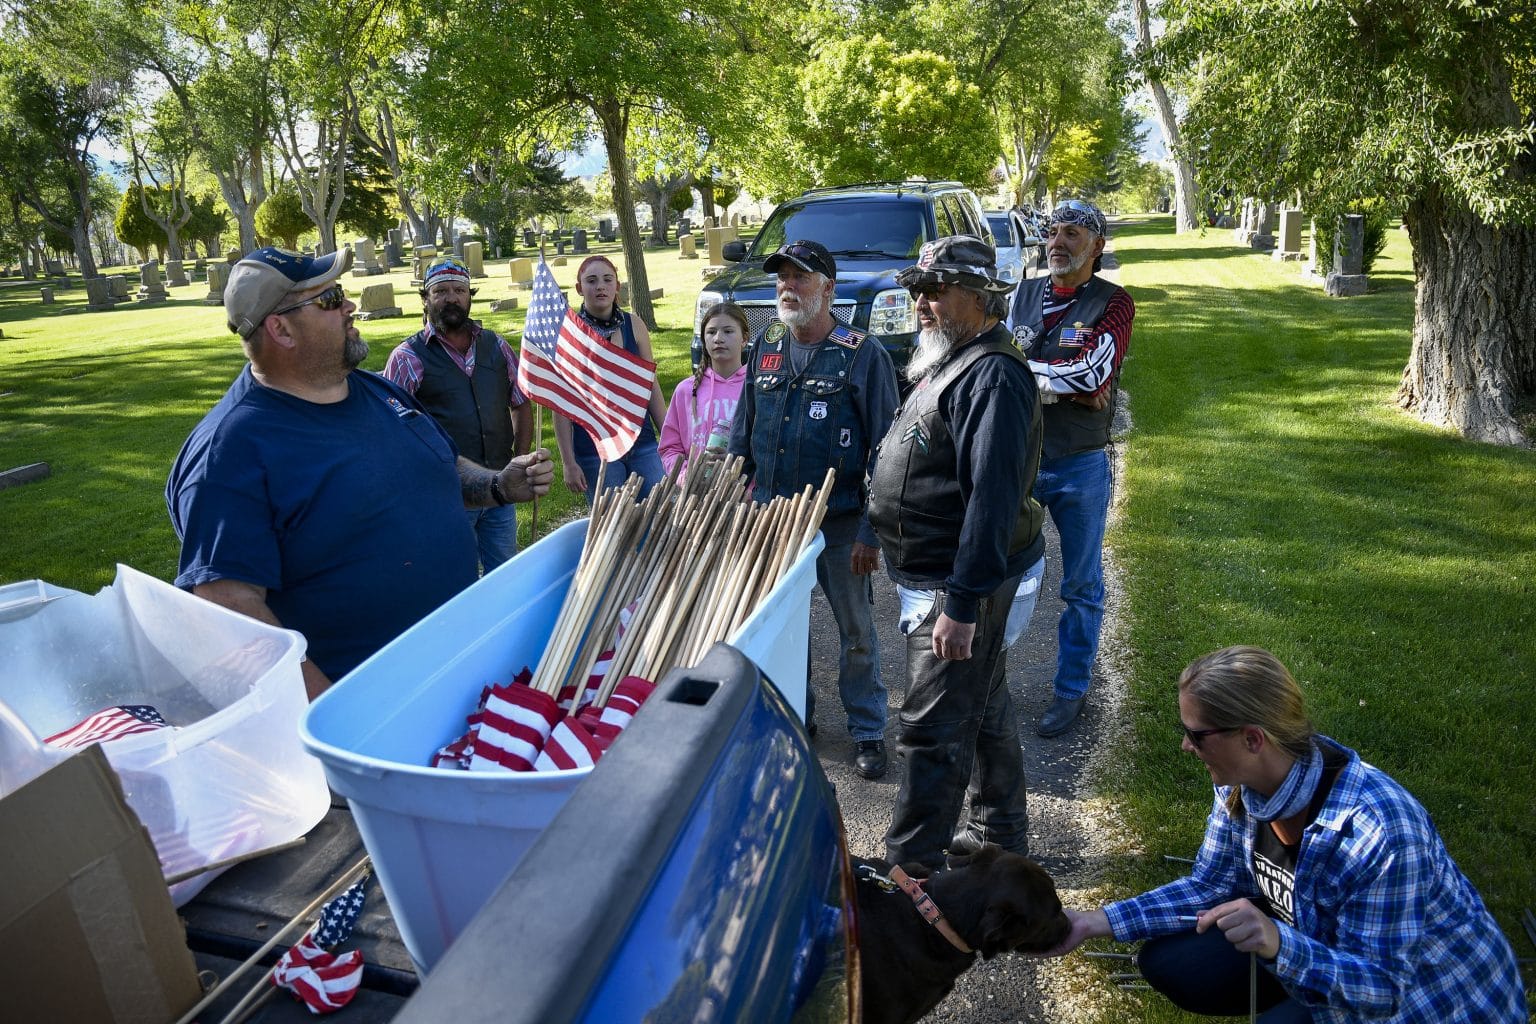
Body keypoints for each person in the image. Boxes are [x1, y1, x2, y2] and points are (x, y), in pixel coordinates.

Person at [1046, 646, 1527, 1023]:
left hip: (1431, 1002)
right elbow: (1212, 886)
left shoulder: (1379, 830)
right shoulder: (1243, 787)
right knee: (1171, 961)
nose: (1185, 745)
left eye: (1197, 734)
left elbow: (1383, 987)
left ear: (1253, 739)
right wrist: (1094, 922)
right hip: (1333, 953)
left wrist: (1280, 944)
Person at [167, 246, 554, 699]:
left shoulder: (379, 392)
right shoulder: (230, 450)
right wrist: (333, 719)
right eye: (330, 299)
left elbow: (441, 465)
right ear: (281, 328)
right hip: (378, 704)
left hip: (460, 667)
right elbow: (227, 608)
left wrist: (496, 486)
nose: (349, 306)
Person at [867, 235, 1045, 870]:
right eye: (917, 288)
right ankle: (1005, 849)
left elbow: (992, 501)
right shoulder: (952, 356)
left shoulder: (994, 374)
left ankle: (909, 870)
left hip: (962, 583)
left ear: (980, 295)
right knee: (985, 711)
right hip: (946, 578)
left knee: (933, 728)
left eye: (936, 289)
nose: (921, 301)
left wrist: (962, 604)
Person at [728, 240, 898, 778]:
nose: (787, 287)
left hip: (841, 521)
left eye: (800, 278)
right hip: (773, 520)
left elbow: (888, 451)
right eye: (781, 277)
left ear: (828, 288)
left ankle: (868, 730)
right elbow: (742, 434)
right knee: (782, 626)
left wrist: (873, 530)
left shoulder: (862, 353)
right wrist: (735, 496)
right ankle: (798, 716)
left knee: (856, 631)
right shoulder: (766, 346)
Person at [1005, 198, 1136, 738]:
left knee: (1081, 584)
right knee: (1000, 571)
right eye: (1053, 232)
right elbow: (1000, 361)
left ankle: (1070, 690)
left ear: (1096, 246)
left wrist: (1035, 377)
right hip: (1022, 457)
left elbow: (1091, 375)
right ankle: (986, 682)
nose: (1058, 241)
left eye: (1073, 234)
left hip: (1081, 464)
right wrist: (1058, 382)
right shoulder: (1024, 292)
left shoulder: (1115, 302)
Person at [383, 256, 534, 572]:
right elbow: (390, 434)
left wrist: (518, 461)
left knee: (505, 575)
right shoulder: (407, 358)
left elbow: (521, 402)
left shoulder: (495, 346)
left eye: (459, 290)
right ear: (426, 299)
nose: (451, 298)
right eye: (440, 291)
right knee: (453, 581)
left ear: (469, 296)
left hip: (499, 489)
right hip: (445, 497)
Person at [553, 255, 667, 504]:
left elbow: (650, 384)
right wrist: (568, 462)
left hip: (642, 442)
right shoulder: (570, 334)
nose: (600, 286)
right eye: (591, 281)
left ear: (617, 286)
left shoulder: (634, 325)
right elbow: (560, 403)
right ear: (579, 288)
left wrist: (669, 437)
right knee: (609, 524)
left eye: (607, 279)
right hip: (596, 450)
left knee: (658, 514)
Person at [658, 301, 748, 481]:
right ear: (704, 340)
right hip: (694, 494)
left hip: (742, 494)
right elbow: (669, 447)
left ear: (744, 339)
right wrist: (684, 476)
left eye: (728, 331)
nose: (718, 338)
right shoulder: (686, 390)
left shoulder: (755, 390)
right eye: (711, 332)